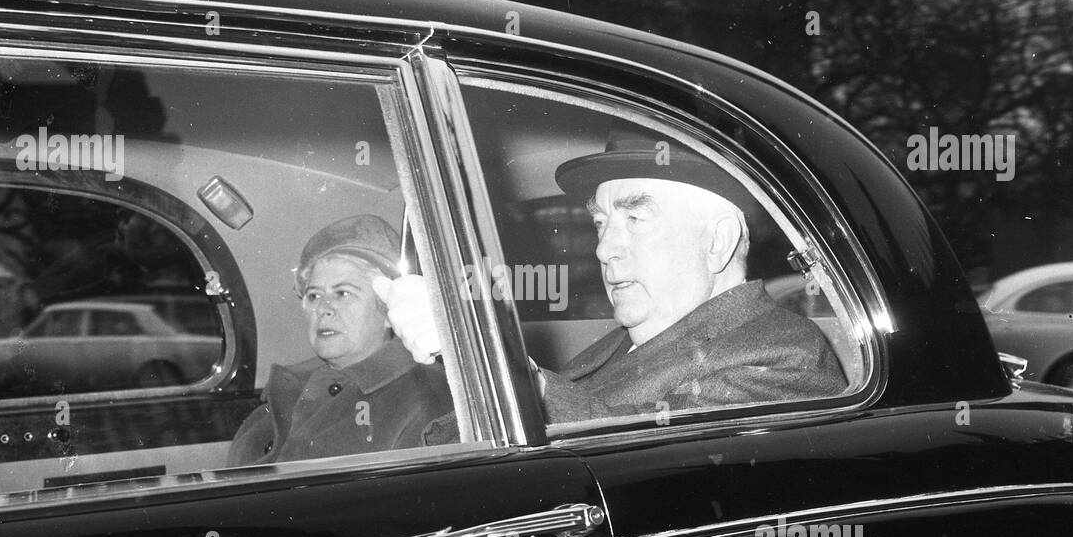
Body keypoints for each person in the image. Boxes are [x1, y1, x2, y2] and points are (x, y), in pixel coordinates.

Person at [378, 126, 847, 423]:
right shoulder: (625, 342)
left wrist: (485, 353)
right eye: (600, 222)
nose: (603, 248)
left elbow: (655, 476)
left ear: (718, 241)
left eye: (635, 220)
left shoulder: (784, 357)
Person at [227, 214, 454, 466]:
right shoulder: (281, 394)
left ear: (389, 310)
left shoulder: (424, 399)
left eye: (343, 293)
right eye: (313, 295)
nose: (323, 308)